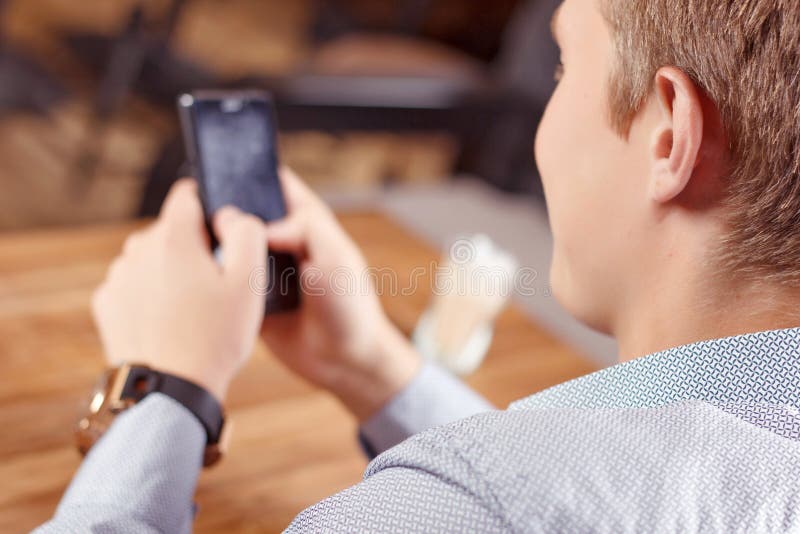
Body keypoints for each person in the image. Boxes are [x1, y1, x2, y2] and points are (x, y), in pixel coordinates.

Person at [37, 0, 800, 531]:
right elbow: (586, 488)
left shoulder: (450, 512)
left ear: (668, 139)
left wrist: (165, 390)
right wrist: (376, 371)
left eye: (565, 67)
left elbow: (510, 505)